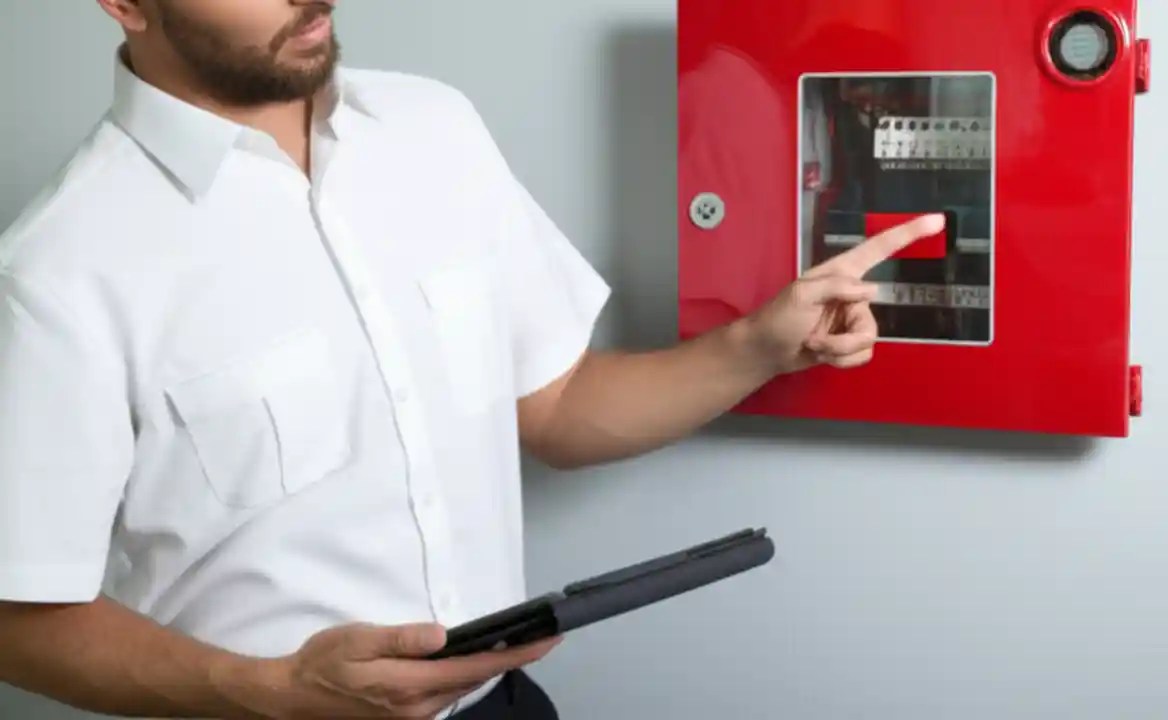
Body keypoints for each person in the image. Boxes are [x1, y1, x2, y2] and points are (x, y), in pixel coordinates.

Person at [0, 1, 942, 718]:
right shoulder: (62, 264)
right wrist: (269, 687)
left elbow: (558, 406)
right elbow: (18, 620)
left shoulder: (429, 126)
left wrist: (757, 346)